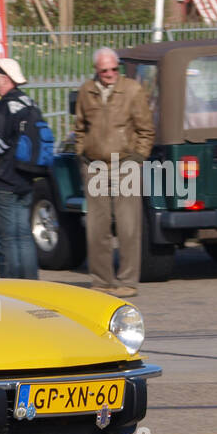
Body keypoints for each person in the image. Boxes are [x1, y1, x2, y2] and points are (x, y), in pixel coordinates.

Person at [74, 47, 154, 298]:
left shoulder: (132, 90)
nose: (109, 74)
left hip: (125, 165)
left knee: (128, 226)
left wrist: (138, 159)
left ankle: (128, 281)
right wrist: (82, 155)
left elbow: (146, 130)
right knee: (97, 228)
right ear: (96, 70)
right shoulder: (86, 91)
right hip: (95, 166)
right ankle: (101, 281)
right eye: (104, 70)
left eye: (113, 69)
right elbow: (79, 127)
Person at [0, 57, 39, 279]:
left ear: (4, 78)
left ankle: (13, 286)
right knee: (24, 235)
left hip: (4, 181)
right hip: (26, 178)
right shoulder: (30, 104)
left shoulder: (2, 109)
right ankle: (32, 283)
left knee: (8, 237)